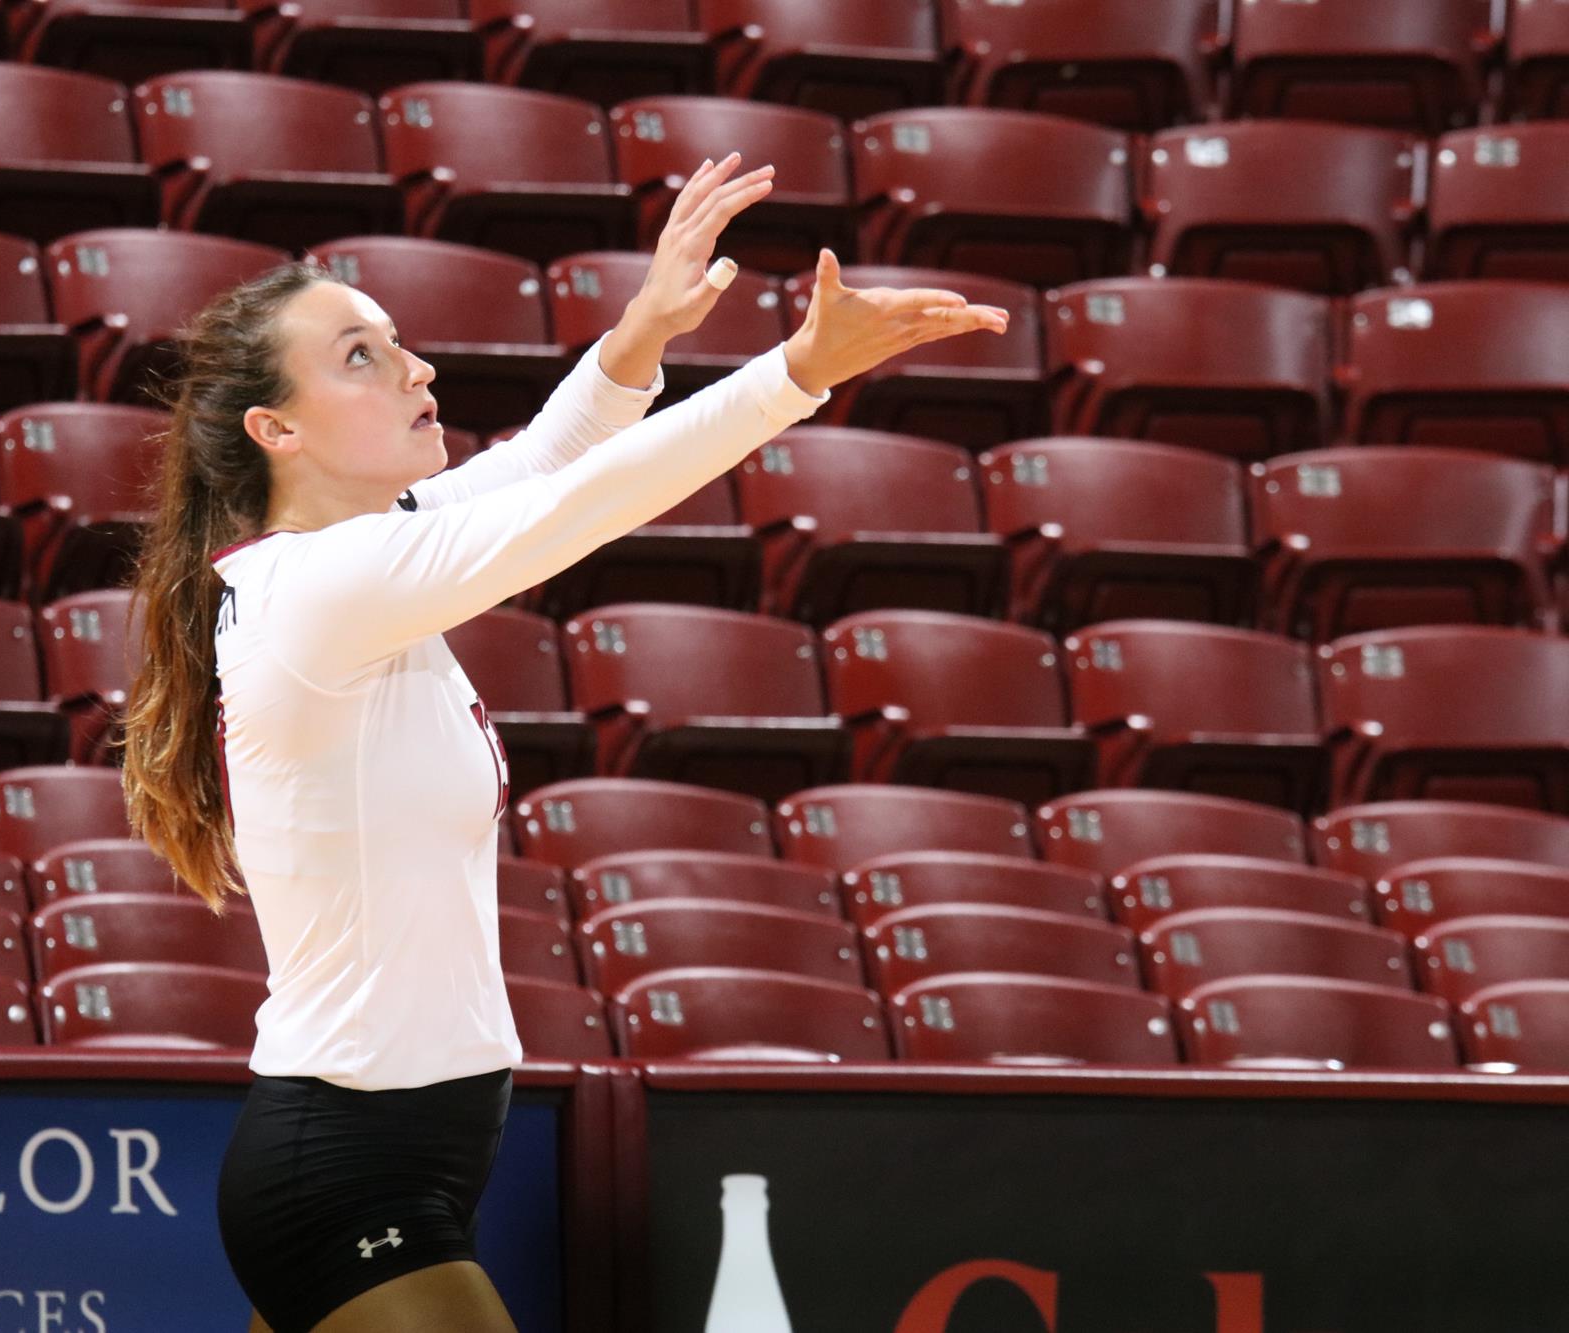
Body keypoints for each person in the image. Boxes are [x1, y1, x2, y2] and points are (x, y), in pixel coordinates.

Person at [120, 152, 1009, 1333]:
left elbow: (542, 462)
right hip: (342, 1171)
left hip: (406, 1153)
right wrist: (791, 373)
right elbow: (569, 511)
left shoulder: (361, 551)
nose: (412, 367)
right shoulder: (312, 588)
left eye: (394, 341)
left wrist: (642, 330)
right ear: (273, 427)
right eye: (360, 357)